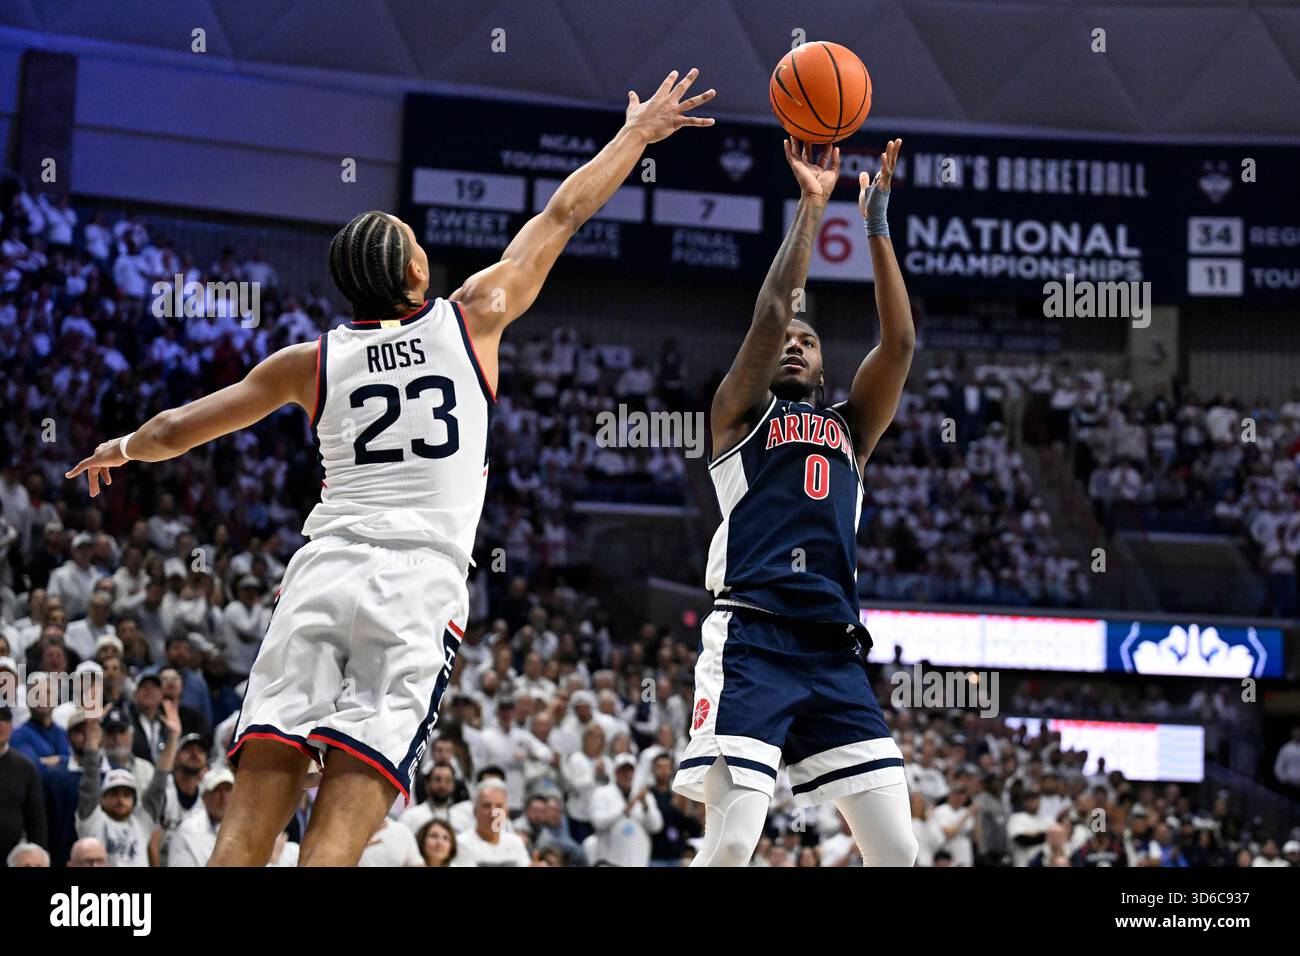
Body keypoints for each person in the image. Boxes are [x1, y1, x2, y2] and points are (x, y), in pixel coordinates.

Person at [65, 68, 714, 869]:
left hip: (323, 570)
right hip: (415, 586)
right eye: (417, 243)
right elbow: (564, 212)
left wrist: (119, 450)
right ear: (413, 275)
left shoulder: (310, 361)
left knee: (249, 819)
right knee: (338, 834)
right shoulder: (473, 316)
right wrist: (638, 135)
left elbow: (173, 429)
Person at [672, 138, 917, 868]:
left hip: (834, 651)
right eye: (785, 340)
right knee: (734, 842)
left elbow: (900, 342)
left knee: (899, 851)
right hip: (753, 637)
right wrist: (812, 207)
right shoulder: (739, 415)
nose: (792, 344)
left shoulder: (852, 428)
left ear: (823, 363)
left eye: (807, 342)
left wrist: (876, 223)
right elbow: (776, 305)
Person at [590, 752, 663, 866]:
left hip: (639, 862)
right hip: (609, 863)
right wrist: (623, 811)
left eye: (630, 771)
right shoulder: (602, 793)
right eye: (623, 771)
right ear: (616, 772)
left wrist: (645, 805)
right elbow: (598, 822)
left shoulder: (645, 796)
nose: (627, 775)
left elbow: (656, 826)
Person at [0, 706, 48, 866]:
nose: (1, 725)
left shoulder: (25, 767)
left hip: (14, 859)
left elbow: (37, 823)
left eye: (5, 720)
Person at [452, 779, 531, 867]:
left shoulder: (516, 842)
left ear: (507, 812)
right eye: (487, 806)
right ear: (475, 811)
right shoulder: (461, 843)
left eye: (499, 806)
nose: (494, 813)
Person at [166, 767, 234, 867]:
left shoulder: (245, 827)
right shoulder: (187, 832)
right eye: (217, 791)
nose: (224, 797)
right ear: (204, 797)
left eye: (228, 790)